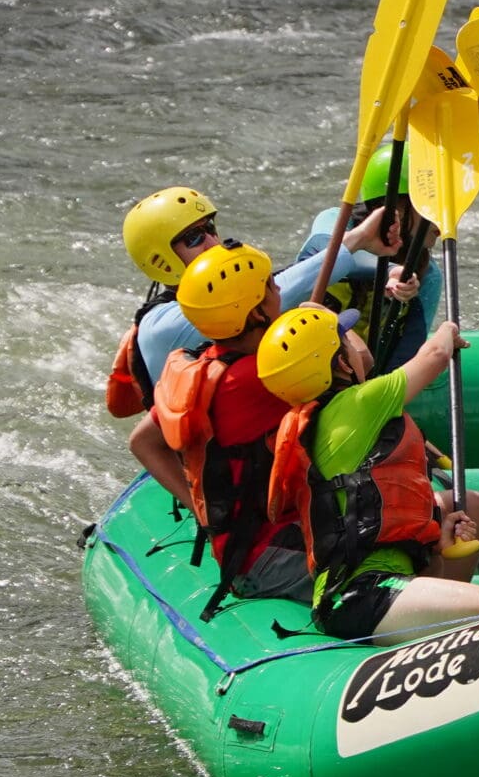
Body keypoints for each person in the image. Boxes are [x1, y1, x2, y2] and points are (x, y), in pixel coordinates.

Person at [259, 305, 479, 645]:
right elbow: (434, 354)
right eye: (345, 341)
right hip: (359, 594)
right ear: (342, 364)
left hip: (378, 585)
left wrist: (437, 543)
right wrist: (448, 329)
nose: (355, 348)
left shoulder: (327, 418)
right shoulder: (361, 403)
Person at [126, 244, 329, 618]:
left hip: (245, 547)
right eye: (271, 285)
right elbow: (362, 391)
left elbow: (143, 442)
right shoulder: (264, 378)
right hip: (271, 556)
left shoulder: (206, 364)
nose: (280, 291)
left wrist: (204, 515)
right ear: (256, 311)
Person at [107, 184, 374, 417]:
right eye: (195, 238)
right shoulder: (162, 326)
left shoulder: (236, 295)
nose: (213, 243)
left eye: (210, 228)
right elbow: (284, 288)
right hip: (213, 461)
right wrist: (355, 241)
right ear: (160, 261)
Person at [300, 142, 444, 368]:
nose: (442, 219)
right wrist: (389, 271)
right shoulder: (336, 221)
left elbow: (409, 344)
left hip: (360, 374)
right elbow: (324, 251)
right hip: (305, 350)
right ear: (399, 207)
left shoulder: (428, 274)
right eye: (432, 205)